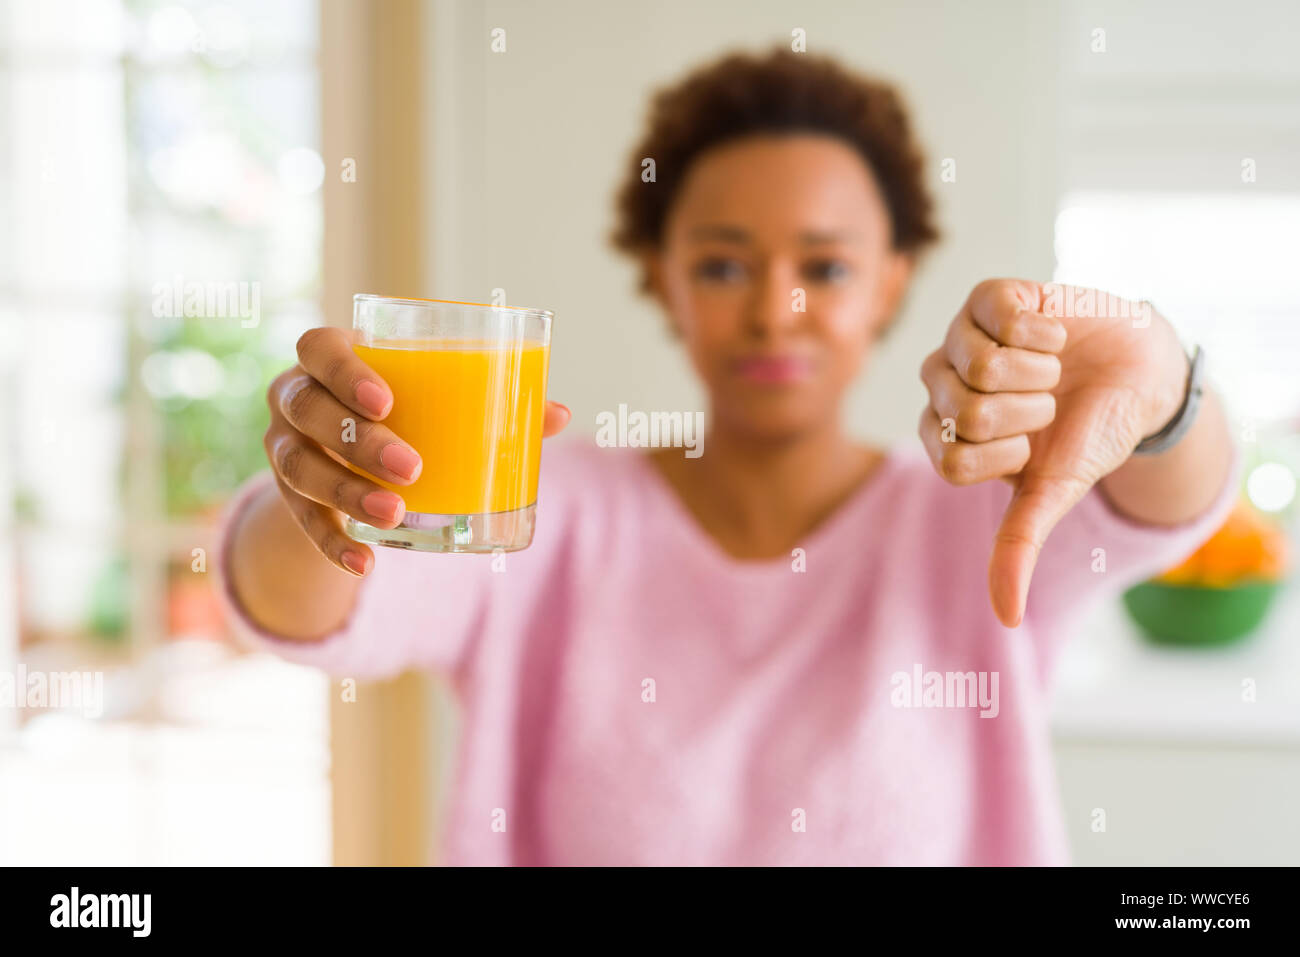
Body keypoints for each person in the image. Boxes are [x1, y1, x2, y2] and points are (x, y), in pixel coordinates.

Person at [217, 47, 1236, 865]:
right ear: (661, 281)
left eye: (825, 266)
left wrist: (1163, 395)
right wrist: (319, 495)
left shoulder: (974, 519)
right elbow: (306, 602)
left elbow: (1162, 503)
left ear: (891, 282)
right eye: (720, 264)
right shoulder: (535, 512)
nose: (771, 311)